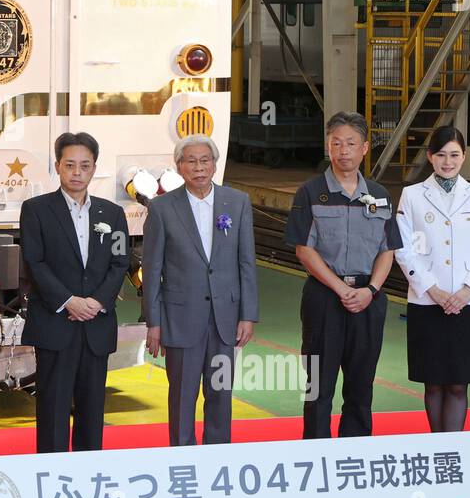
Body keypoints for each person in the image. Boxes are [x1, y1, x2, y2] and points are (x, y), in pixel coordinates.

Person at [285, 111, 403, 439]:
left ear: (365, 148)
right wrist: (340, 289)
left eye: (351, 143)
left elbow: (387, 249)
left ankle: (355, 458)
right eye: (336, 143)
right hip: (324, 300)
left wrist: (371, 290)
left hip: (368, 300)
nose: (343, 151)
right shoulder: (310, 193)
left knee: (361, 387)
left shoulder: (379, 195)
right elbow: (304, 250)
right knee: (318, 388)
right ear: (328, 146)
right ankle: (317, 456)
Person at [142, 134, 258, 446]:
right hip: (180, 319)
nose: (199, 167)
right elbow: (152, 269)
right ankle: (182, 459)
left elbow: (246, 262)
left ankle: (217, 459)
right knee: (182, 396)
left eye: (205, 160)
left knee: (221, 394)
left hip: (225, 319)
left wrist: (248, 315)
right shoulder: (162, 208)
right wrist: (153, 322)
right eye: (191, 161)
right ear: (178, 167)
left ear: (215, 164)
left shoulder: (238, 203)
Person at [20, 132, 131, 453]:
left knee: (92, 410)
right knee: (52, 411)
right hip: (56, 324)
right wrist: (68, 301)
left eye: (85, 165)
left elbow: (120, 261)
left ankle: (87, 478)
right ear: (57, 166)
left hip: (95, 326)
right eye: (70, 165)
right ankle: (52, 480)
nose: (77, 172)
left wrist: (96, 302)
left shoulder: (112, 214)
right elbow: (34, 261)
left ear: (94, 168)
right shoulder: (36, 210)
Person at [394, 126, 470, 432]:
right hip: (427, 302)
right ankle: (437, 447)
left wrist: (468, 290)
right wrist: (432, 290)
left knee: (458, 386)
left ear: (464, 157)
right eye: (440, 155)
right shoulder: (412, 196)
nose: (447, 162)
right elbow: (403, 248)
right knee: (433, 384)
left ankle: (452, 449)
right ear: (430, 157)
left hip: (467, 303)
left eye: (454, 155)